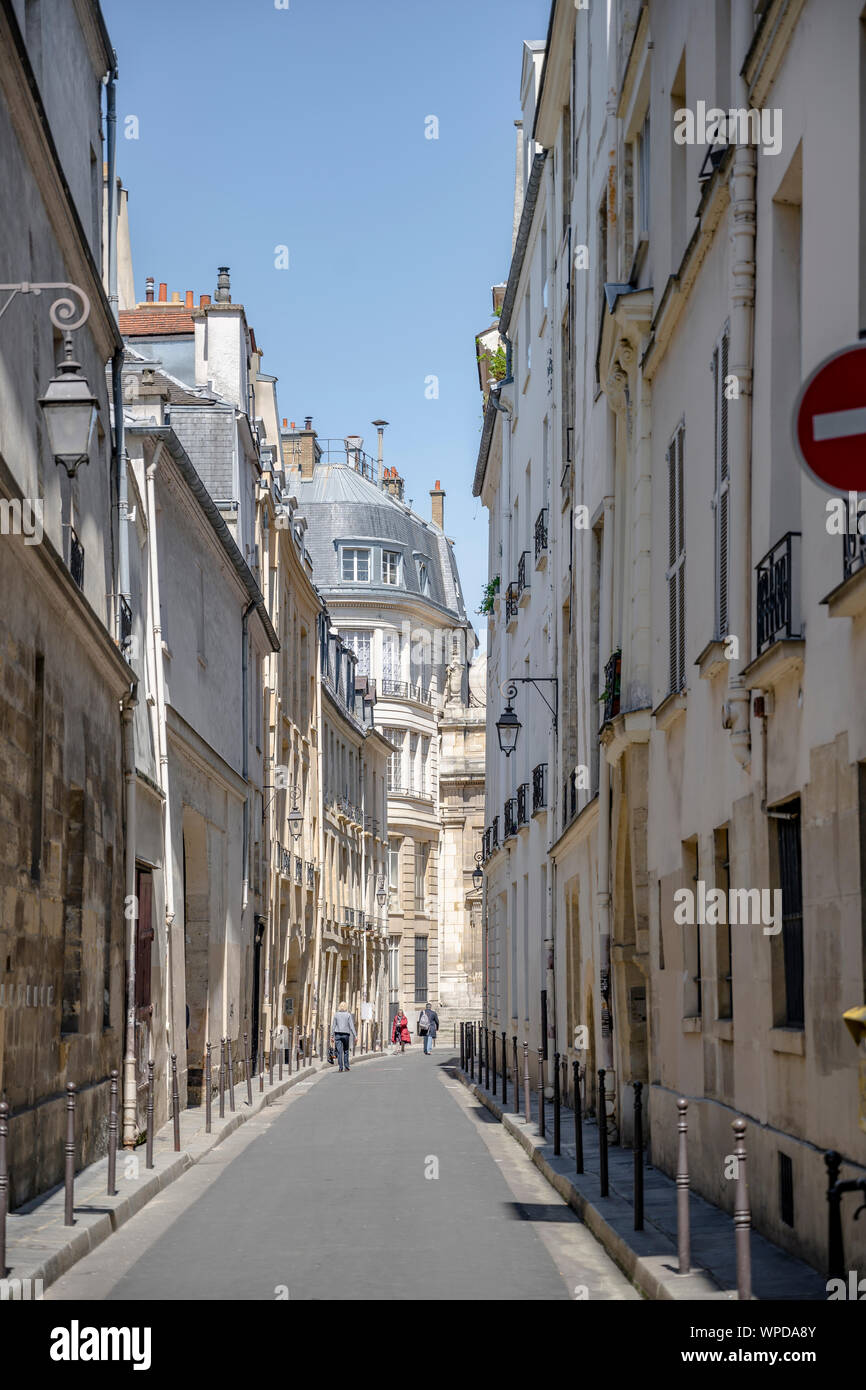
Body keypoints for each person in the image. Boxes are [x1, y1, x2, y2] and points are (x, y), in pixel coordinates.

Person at [331, 1000, 357, 1072]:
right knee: (346, 1051)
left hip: (338, 1034)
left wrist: (332, 1035)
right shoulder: (348, 1015)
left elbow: (333, 1026)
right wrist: (355, 1035)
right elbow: (351, 1026)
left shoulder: (336, 1015)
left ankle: (340, 1067)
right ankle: (347, 1066)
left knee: (339, 1052)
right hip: (346, 1034)